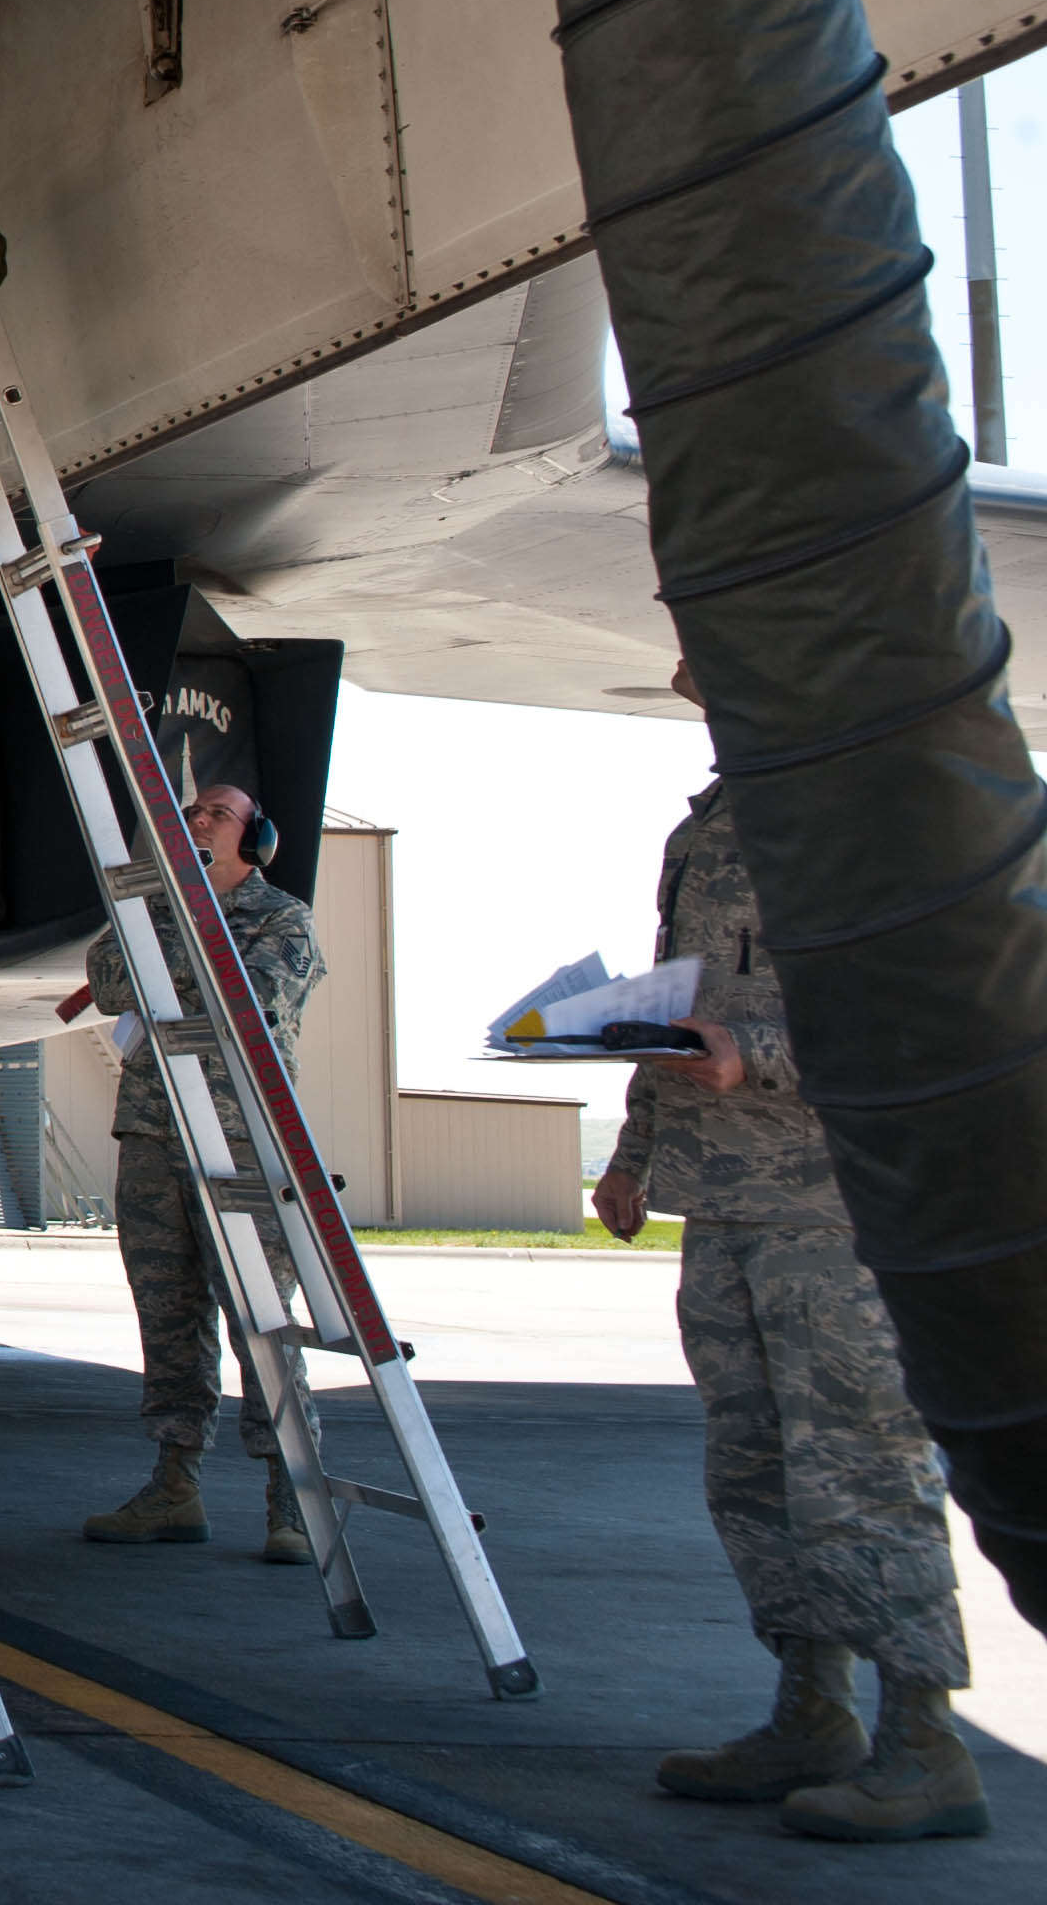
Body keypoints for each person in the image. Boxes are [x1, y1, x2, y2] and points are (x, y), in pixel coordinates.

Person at [592, 665, 986, 1843]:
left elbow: (928, 1007)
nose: (682, 651)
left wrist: (754, 1055)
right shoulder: (713, 816)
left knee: (857, 1468)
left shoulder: (860, 806)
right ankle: (811, 1712)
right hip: (720, 1202)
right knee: (754, 1469)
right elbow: (687, 997)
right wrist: (633, 1147)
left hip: (832, 1209)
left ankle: (925, 1743)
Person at [82, 783, 328, 1560]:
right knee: (168, 1313)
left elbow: (247, 997)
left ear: (256, 838)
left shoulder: (283, 918)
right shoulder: (147, 910)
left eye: (218, 814)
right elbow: (109, 982)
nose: (199, 820)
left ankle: (293, 1503)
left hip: (239, 1143)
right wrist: (161, 926)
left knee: (263, 1322)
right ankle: (175, 1487)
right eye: (192, 813)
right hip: (153, 1135)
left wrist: (165, 960)